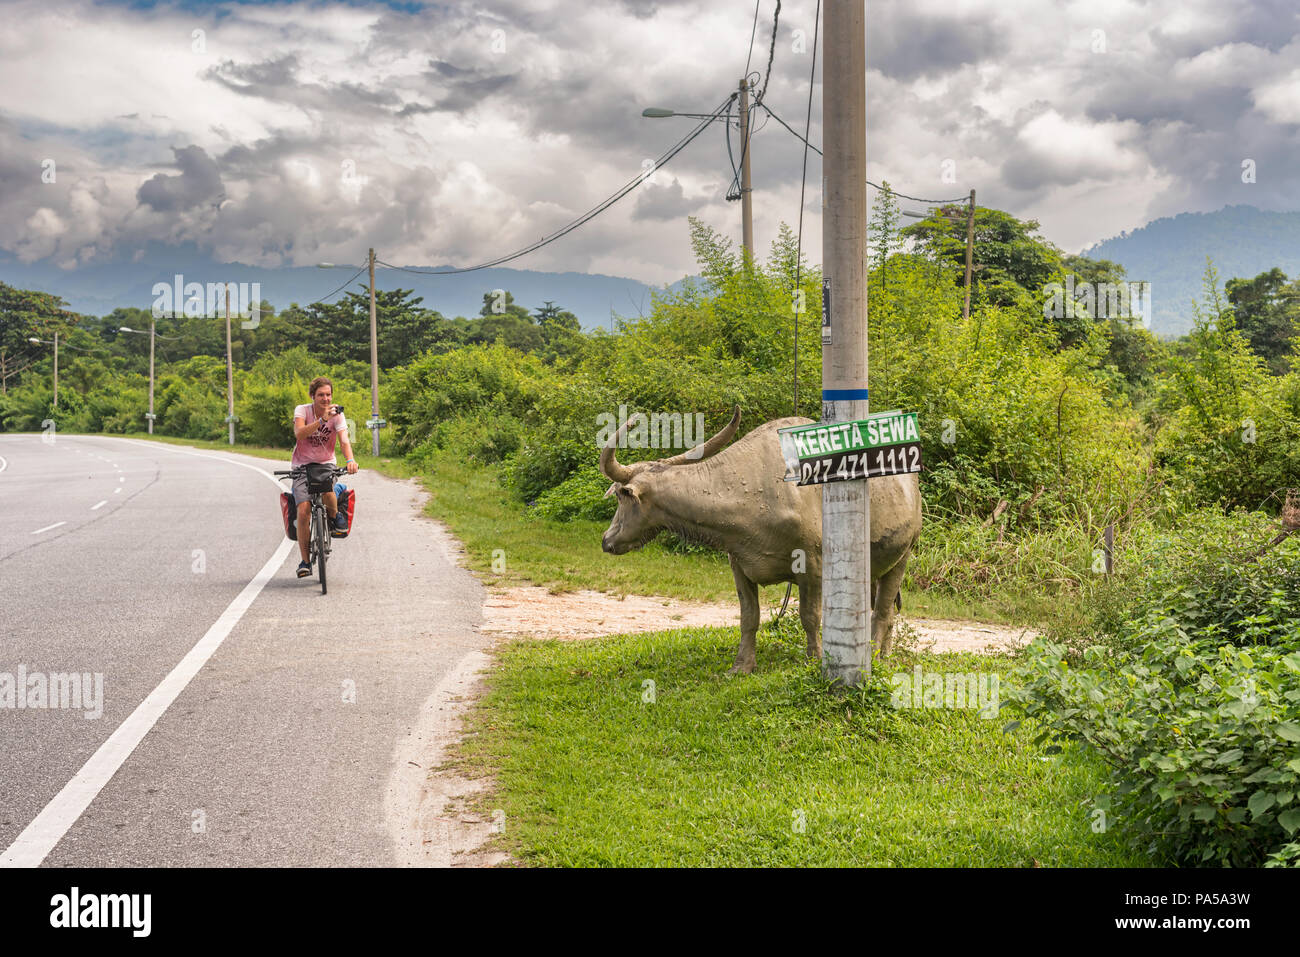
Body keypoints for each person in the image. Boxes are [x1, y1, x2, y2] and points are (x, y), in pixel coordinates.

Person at [291, 376, 358, 578]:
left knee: (328, 489)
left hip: (325, 463)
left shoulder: (337, 415)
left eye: (328, 394)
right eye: (321, 395)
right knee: (303, 510)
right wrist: (322, 420)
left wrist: (350, 460)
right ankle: (304, 561)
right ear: (313, 396)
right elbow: (300, 434)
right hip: (302, 466)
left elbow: (344, 440)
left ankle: (333, 516)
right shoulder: (302, 410)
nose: (326, 399)